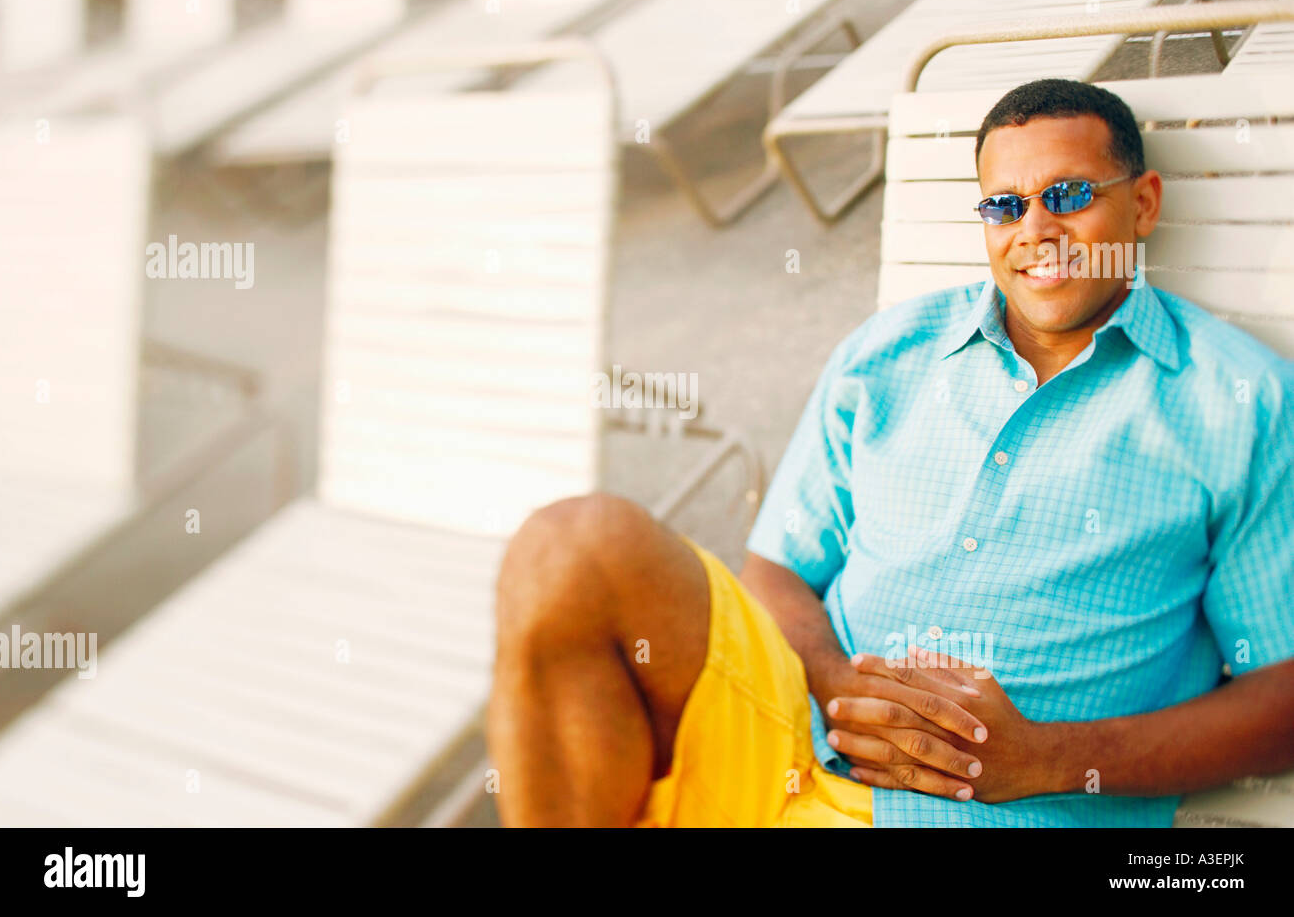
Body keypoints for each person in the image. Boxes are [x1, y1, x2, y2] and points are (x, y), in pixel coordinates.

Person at [485, 79, 1294, 826]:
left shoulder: (1240, 401)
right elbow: (776, 569)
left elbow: (1283, 699)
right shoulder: (890, 354)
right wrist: (835, 684)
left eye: (1070, 196)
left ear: (1143, 204)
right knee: (568, 549)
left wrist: (1043, 761)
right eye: (1005, 207)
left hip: (1000, 810)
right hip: (790, 737)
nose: (1036, 231)